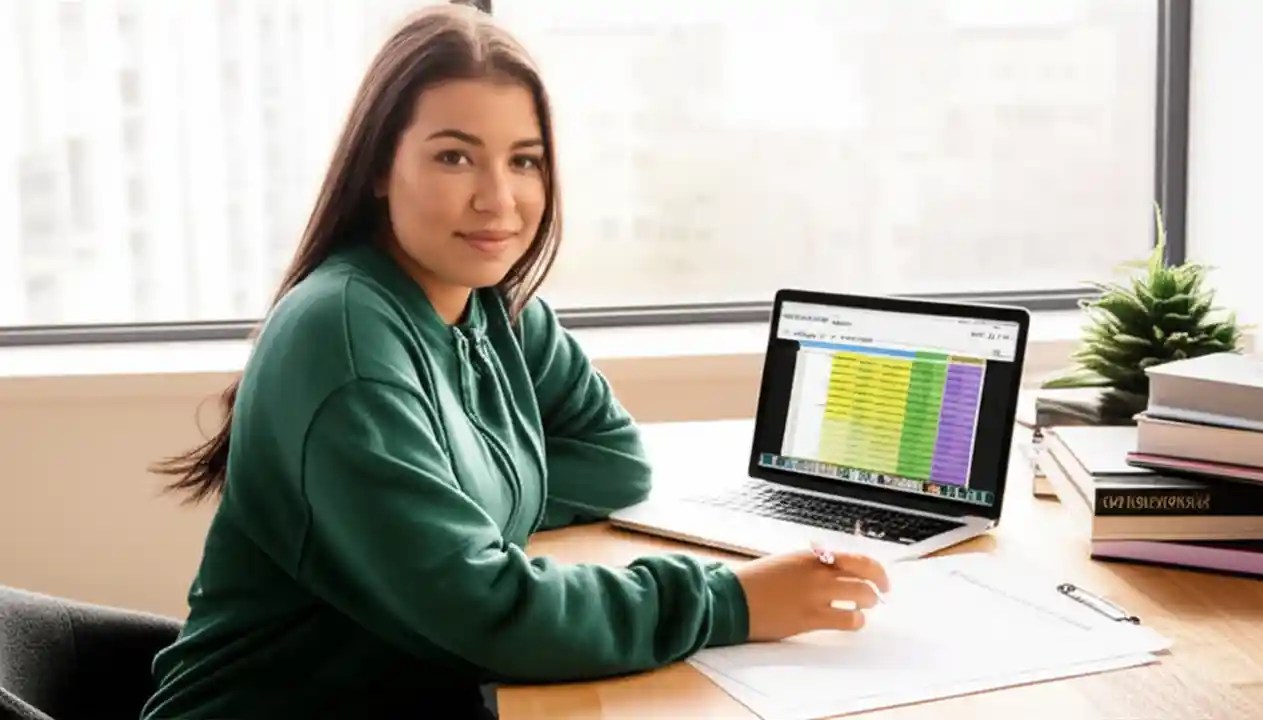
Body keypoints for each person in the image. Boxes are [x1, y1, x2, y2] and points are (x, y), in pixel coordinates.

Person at [140, 5, 891, 718]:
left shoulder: (486, 305)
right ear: (377, 168)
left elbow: (613, 459)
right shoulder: (343, 341)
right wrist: (731, 600)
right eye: (455, 156)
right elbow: (490, 615)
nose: (498, 199)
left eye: (524, 160)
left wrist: (463, 519)